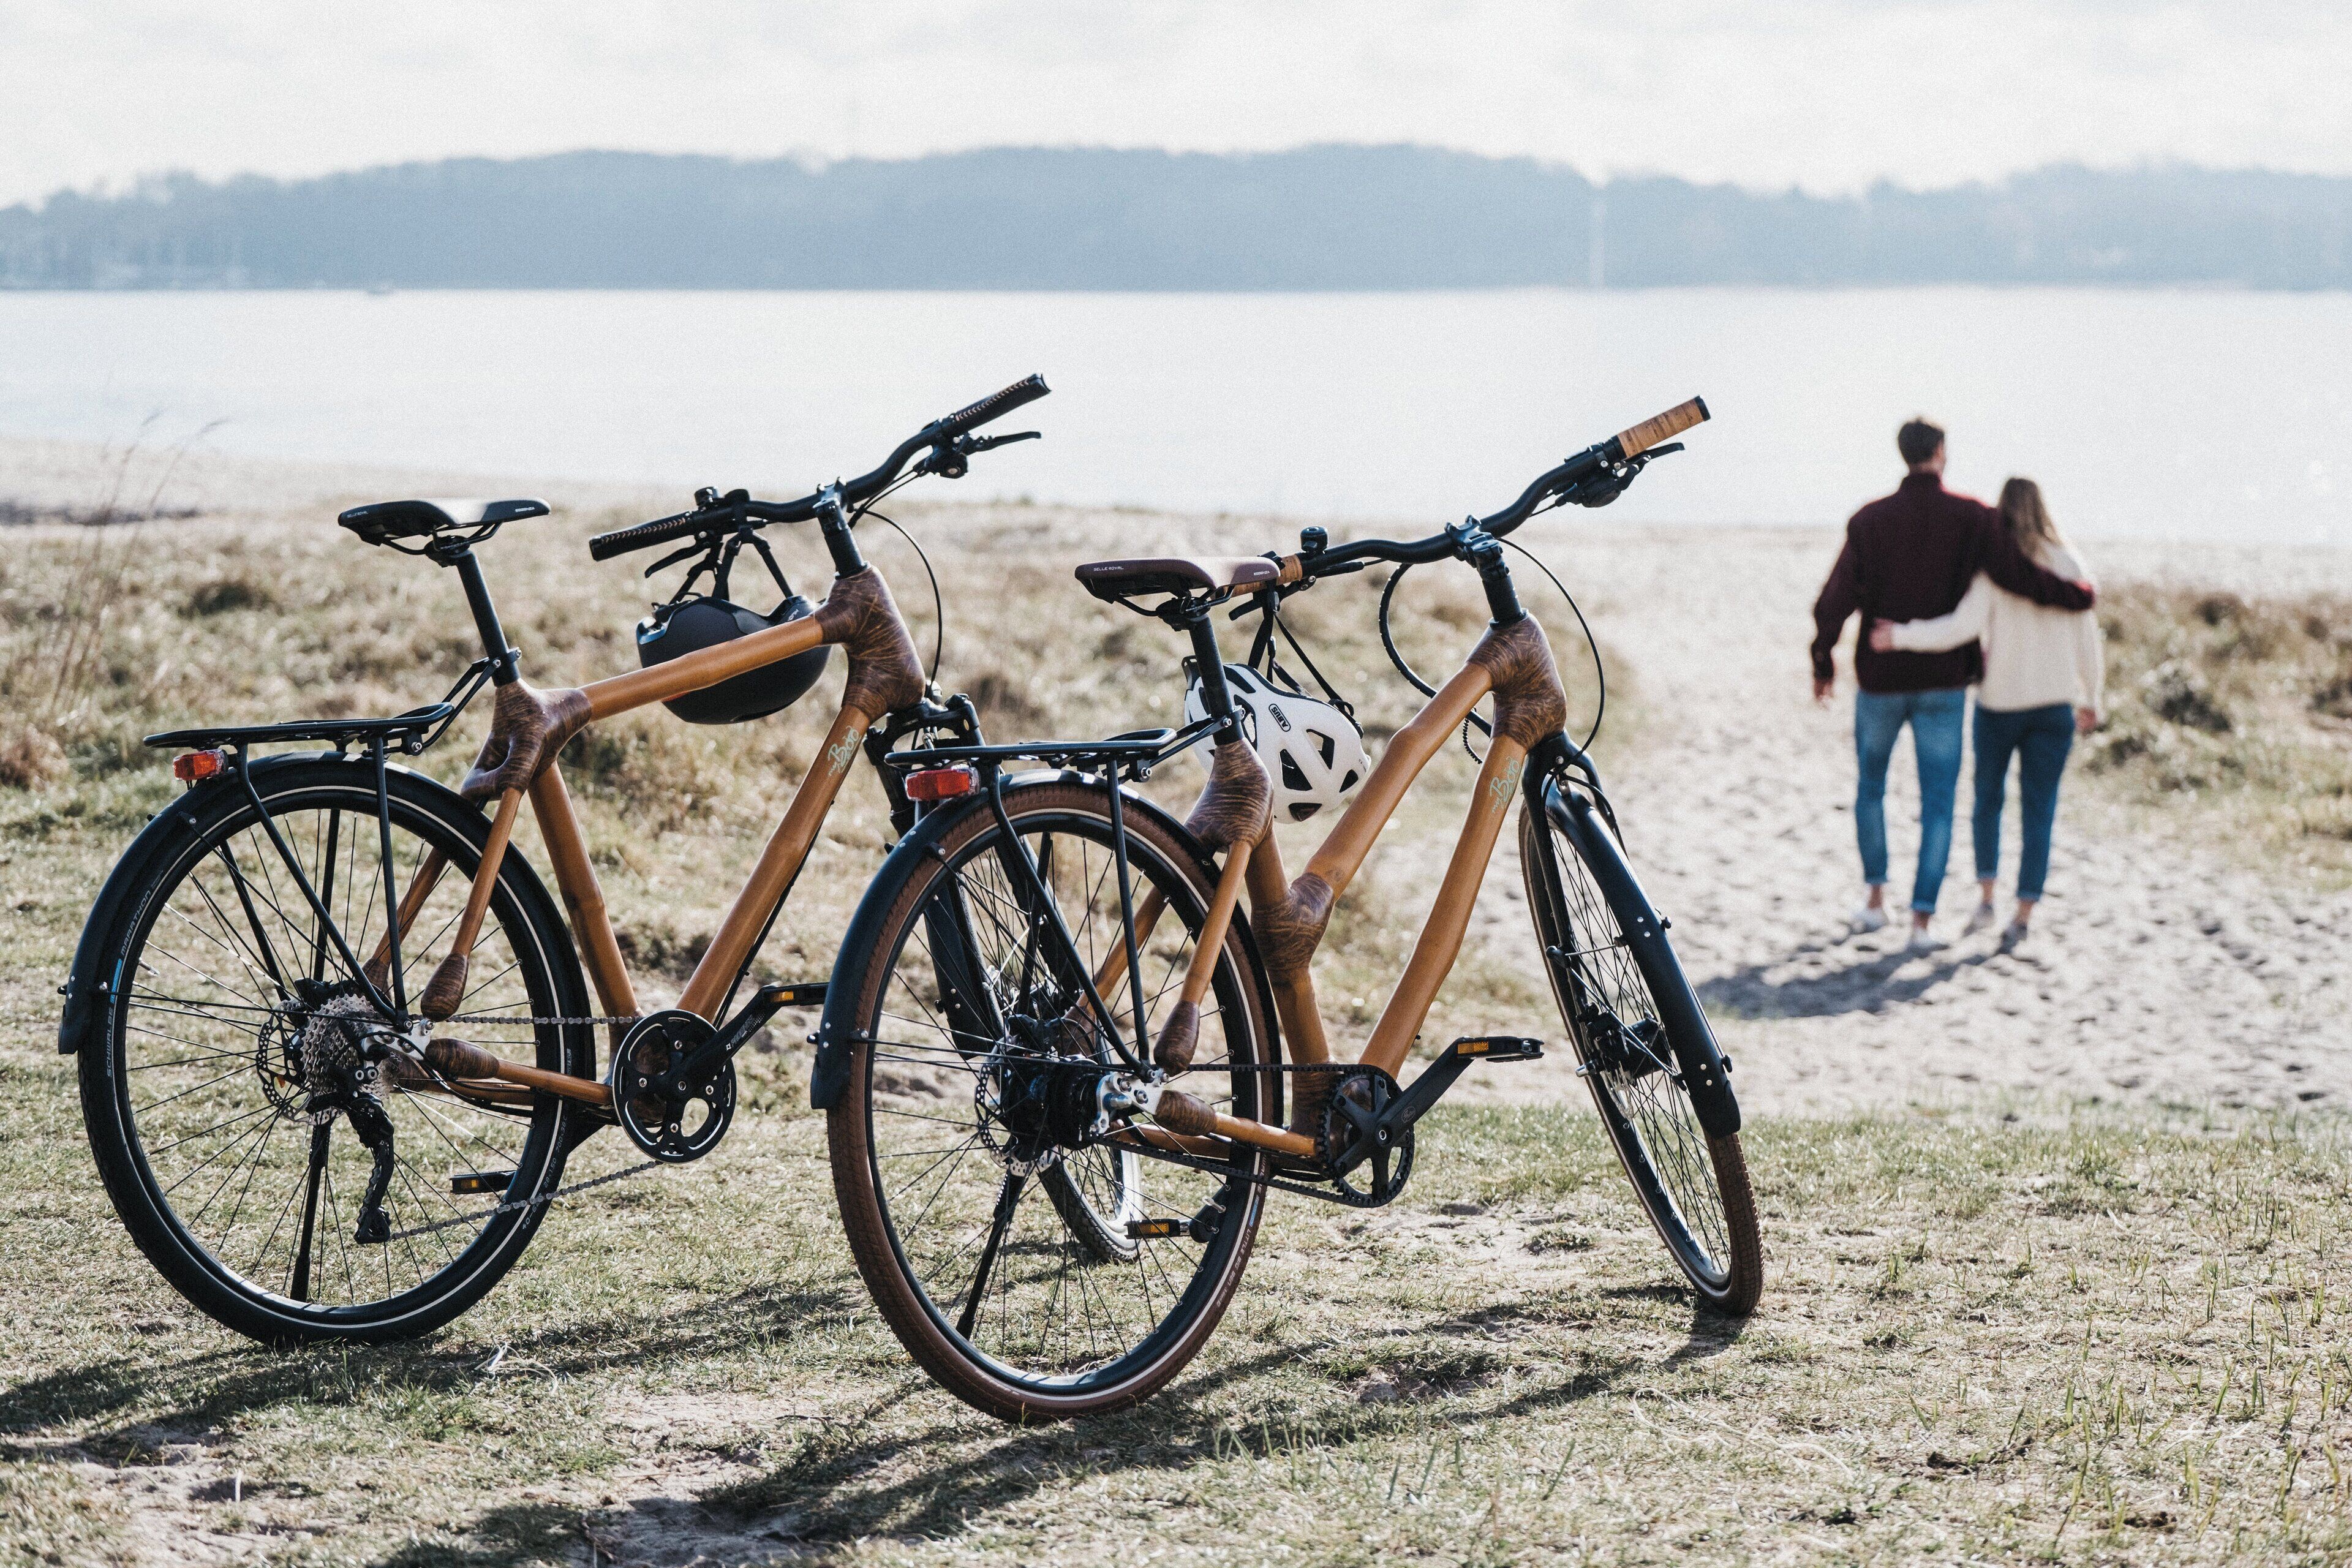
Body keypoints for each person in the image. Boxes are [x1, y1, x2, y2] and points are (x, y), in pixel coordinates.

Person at [1810, 420, 2095, 951]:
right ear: (1941, 453)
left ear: (1903, 454)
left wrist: (1823, 659)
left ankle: (1875, 903)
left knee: (1870, 789)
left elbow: (1835, 600)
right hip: (1944, 684)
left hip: (1880, 679)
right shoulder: (1973, 517)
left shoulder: (1869, 520)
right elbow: (2017, 575)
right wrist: (2076, 595)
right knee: (1938, 802)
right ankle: (1922, 922)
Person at [1869, 478, 2101, 951]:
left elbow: (1960, 628)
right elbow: (2088, 642)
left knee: (1987, 805)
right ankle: (2023, 914)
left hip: (1998, 708)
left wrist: (1900, 636)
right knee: (2041, 812)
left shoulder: (1996, 569)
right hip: (2054, 708)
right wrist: (2093, 697)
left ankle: (1987, 898)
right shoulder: (2071, 564)